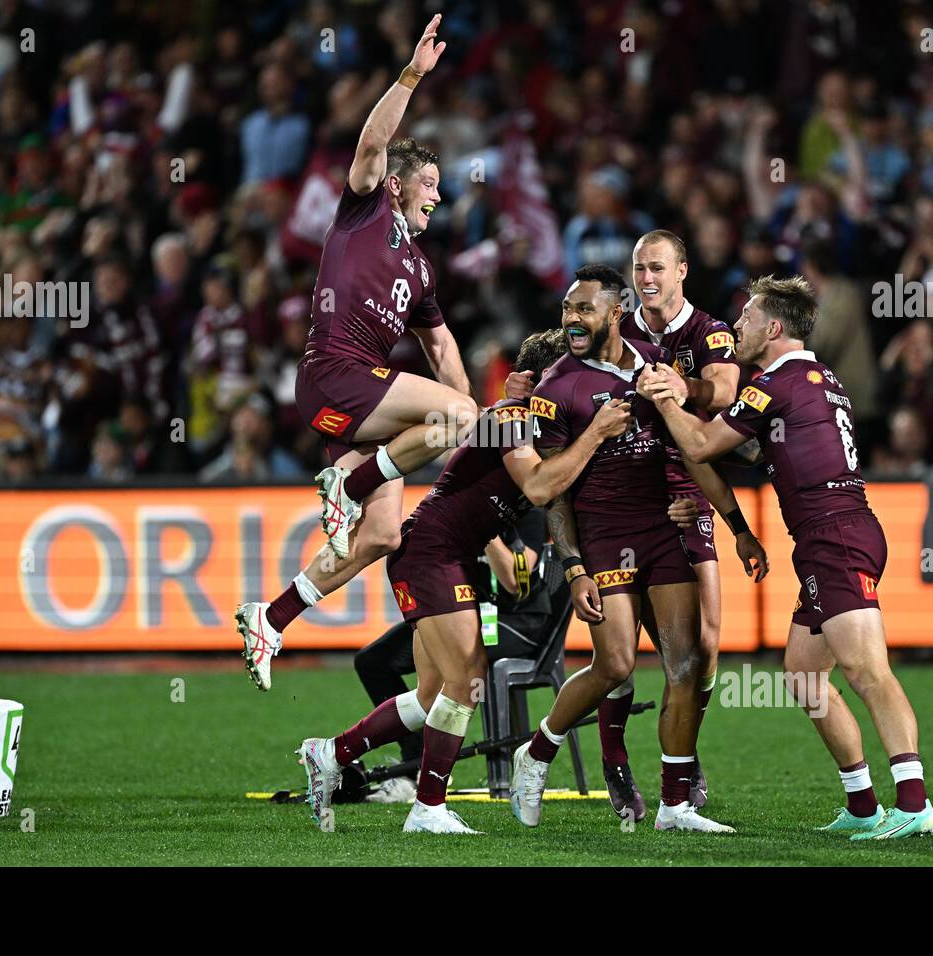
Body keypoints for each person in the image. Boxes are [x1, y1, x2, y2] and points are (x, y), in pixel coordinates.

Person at [292, 328, 630, 834]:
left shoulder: (538, 429)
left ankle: (331, 753)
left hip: (440, 552)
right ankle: (428, 807)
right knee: (468, 675)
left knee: (434, 695)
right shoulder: (513, 418)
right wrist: (598, 432)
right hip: (434, 552)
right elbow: (540, 488)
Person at [637, 275, 933, 840]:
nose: (736, 328)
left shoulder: (775, 382)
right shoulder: (816, 379)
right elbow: (752, 449)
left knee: (868, 671)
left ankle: (914, 801)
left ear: (774, 328)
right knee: (803, 674)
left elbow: (703, 446)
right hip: (831, 536)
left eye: (747, 318)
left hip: (836, 537)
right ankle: (862, 804)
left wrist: (666, 398)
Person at [236, 15, 479, 692]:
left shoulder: (423, 271)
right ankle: (351, 483)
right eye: (430, 182)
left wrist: (474, 421)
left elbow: (444, 350)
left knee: (380, 538)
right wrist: (412, 75)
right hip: (335, 374)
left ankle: (271, 617)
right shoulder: (365, 208)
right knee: (453, 416)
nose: (440, 193)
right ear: (398, 184)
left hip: (356, 399)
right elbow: (374, 141)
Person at [508, 264, 767, 834]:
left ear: (615, 313)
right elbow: (551, 491)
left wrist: (738, 526)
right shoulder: (557, 387)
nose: (572, 319)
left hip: (661, 527)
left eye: (584, 309)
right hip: (601, 535)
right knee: (617, 664)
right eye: (567, 310)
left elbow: (695, 449)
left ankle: (675, 804)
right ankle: (539, 753)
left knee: (687, 662)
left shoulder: (656, 368)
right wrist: (572, 565)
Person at [352, 504, 568, 798]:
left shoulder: (528, 513)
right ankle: (414, 761)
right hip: (460, 612)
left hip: (516, 621)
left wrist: (487, 533)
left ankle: (428, 777)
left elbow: (516, 582)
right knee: (374, 662)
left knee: (451, 669)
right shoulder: (454, 509)